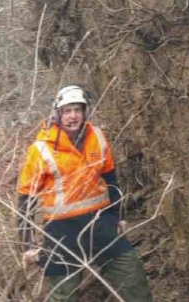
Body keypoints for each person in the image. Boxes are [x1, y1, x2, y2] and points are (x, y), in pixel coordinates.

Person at [17, 84, 153, 302]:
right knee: (63, 295)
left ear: (85, 111)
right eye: (67, 111)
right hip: (61, 232)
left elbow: (110, 179)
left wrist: (118, 217)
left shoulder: (97, 137)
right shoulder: (41, 149)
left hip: (101, 224)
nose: (73, 116)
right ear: (58, 114)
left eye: (77, 110)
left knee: (133, 278)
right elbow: (26, 199)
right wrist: (27, 246)